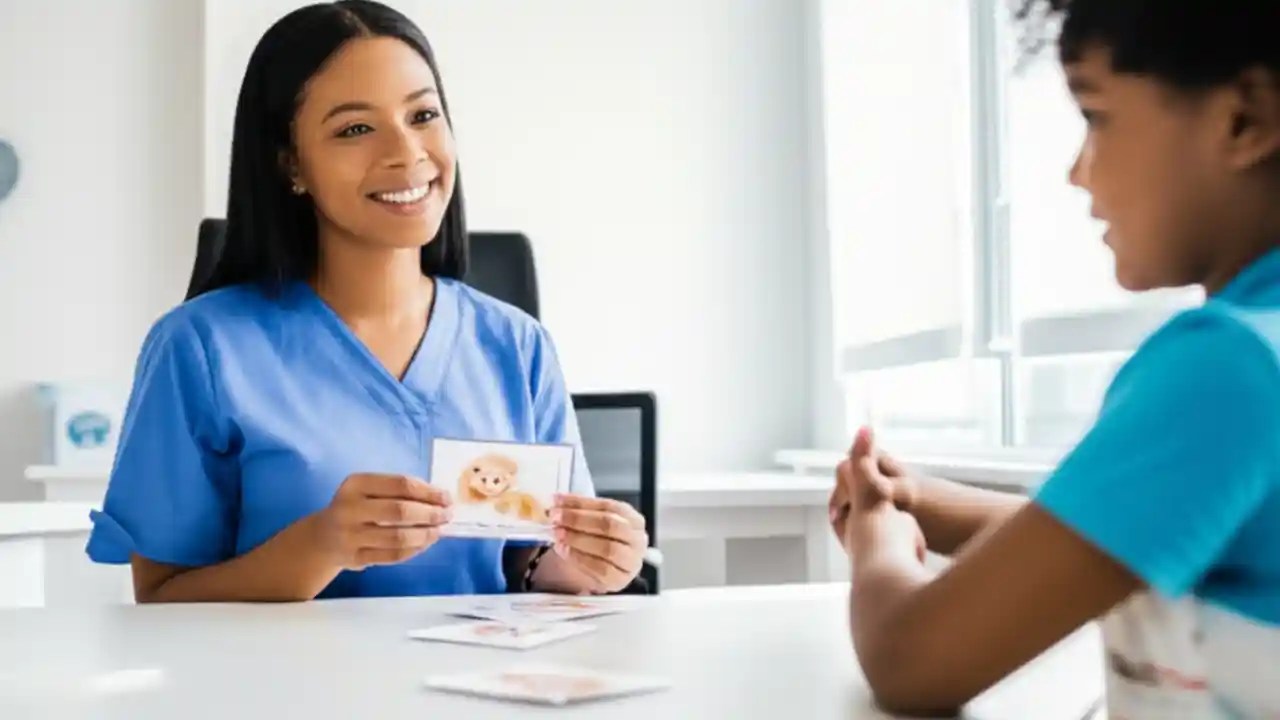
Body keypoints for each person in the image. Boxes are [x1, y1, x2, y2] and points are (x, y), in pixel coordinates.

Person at [86, 0, 647, 603]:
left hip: (474, 666)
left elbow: (526, 565)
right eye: (355, 129)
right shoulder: (198, 348)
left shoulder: (518, 345)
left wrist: (586, 564)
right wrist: (321, 545)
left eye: (423, 115)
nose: (406, 152)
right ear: (290, 164)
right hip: (282, 670)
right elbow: (161, 597)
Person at [829, 0, 1280, 717]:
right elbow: (1098, 542)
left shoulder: (1227, 371)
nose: (1076, 172)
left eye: (1097, 117)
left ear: (1244, 120)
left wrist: (875, 538)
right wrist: (916, 500)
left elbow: (911, 659)